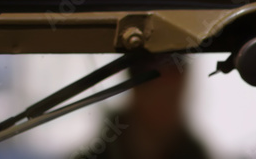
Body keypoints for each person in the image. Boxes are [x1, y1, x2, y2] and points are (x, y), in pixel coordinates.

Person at [74, 55, 211, 159]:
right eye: (161, 95)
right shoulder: (99, 154)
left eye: (174, 97)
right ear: (137, 89)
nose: (169, 107)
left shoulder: (194, 154)